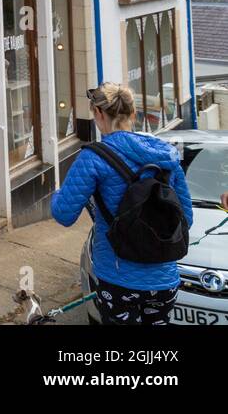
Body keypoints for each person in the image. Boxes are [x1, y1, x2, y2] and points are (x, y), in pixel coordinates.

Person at [50, 82, 193, 325]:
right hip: (164, 280)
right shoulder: (166, 155)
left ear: (98, 114)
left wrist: (58, 193)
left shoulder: (93, 159)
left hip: (118, 279)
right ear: (134, 114)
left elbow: (64, 214)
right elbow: (186, 219)